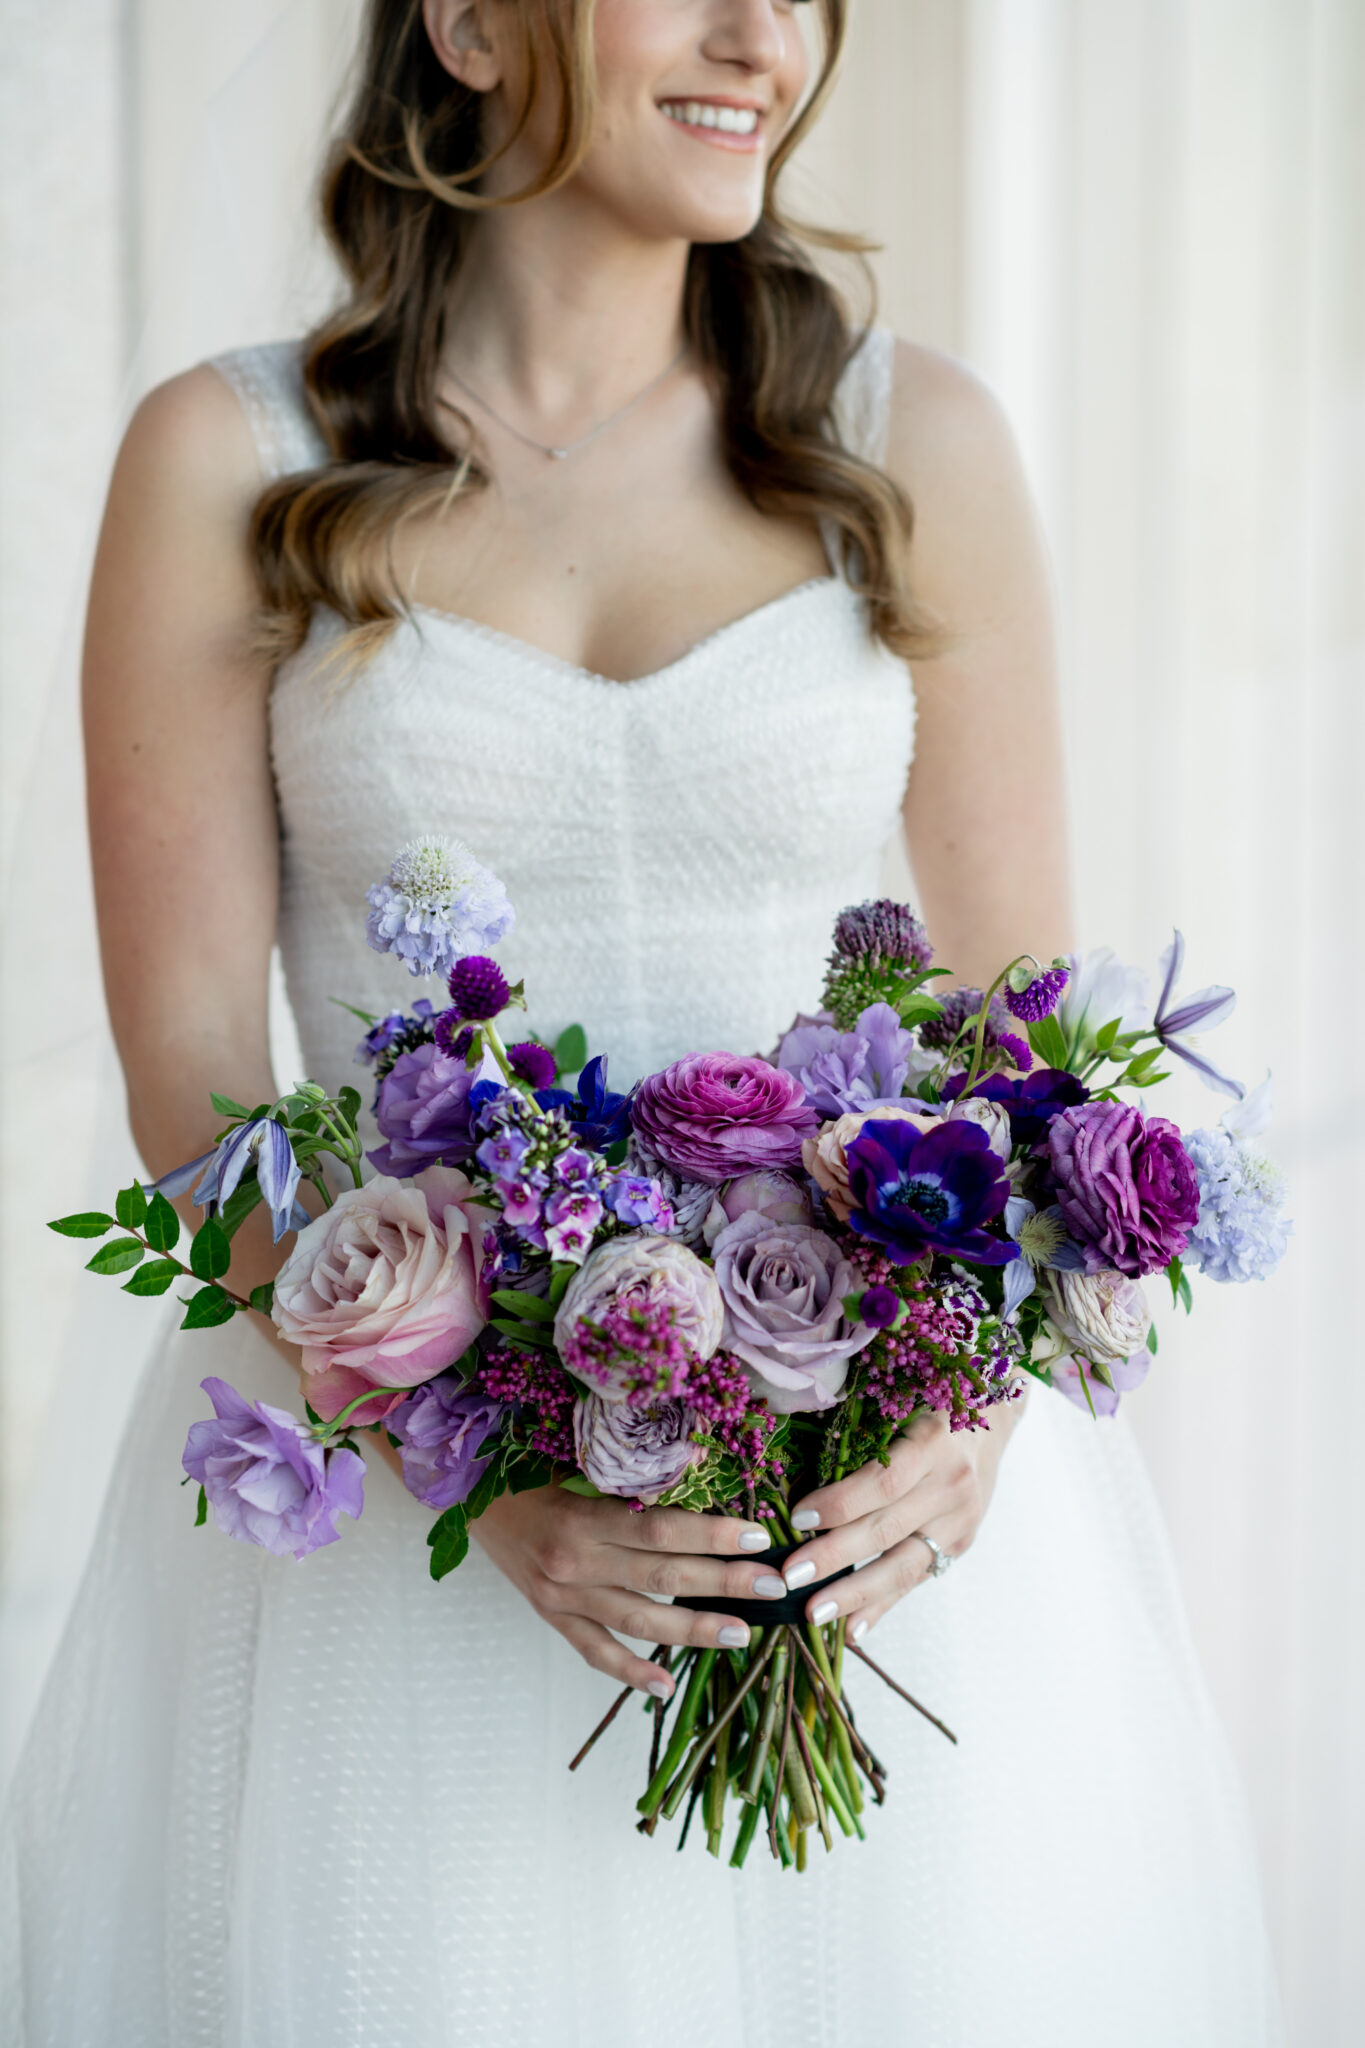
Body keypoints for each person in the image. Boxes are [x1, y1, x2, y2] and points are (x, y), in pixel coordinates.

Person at [0, 3, 1283, 2042]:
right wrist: (477, 1468)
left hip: (854, 1545)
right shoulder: (229, 463)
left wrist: (960, 1421)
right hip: (405, 1553)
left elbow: (1015, 1035)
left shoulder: (913, 443)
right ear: (470, 22)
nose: (759, 37)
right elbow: (196, 1078)